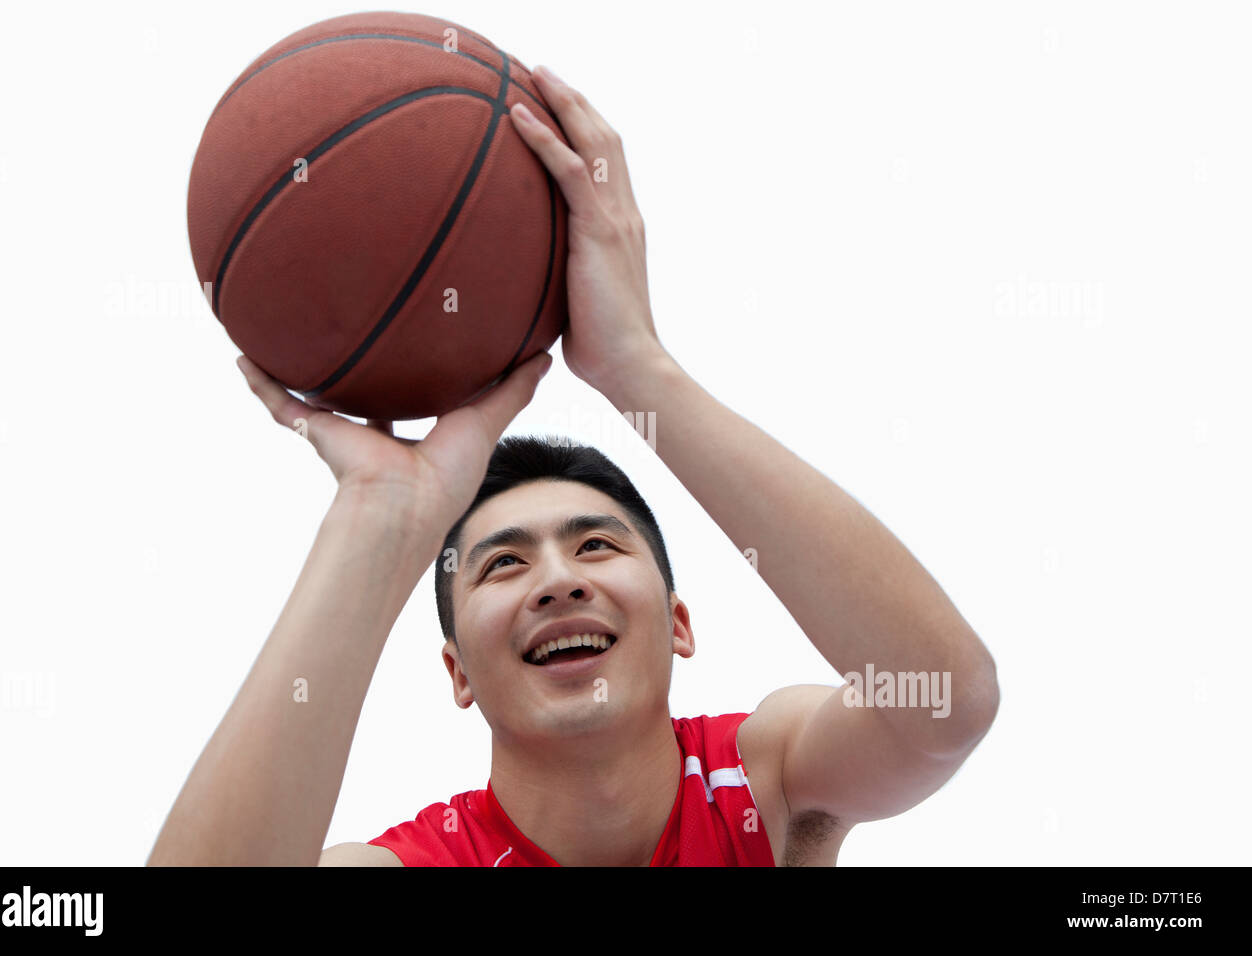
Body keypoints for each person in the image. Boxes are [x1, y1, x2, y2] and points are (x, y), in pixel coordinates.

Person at [147, 65, 998, 867]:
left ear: (679, 624)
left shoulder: (763, 785)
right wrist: (381, 515)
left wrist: (640, 371)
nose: (557, 581)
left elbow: (944, 705)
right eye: (503, 564)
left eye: (596, 546)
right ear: (459, 674)